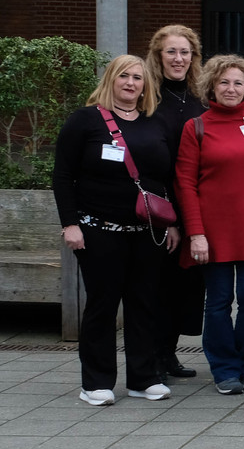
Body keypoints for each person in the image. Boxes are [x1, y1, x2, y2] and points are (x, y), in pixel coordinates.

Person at [53, 55, 177, 405]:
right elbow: (63, 176)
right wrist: (70, 224)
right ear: (111, 79)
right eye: (124, 76)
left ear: (145, 85)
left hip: (146, 232)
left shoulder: (156, 123)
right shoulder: (85, 120)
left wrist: (174, 224)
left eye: (138, 78)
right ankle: (96, 382)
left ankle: (143, 378)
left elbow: (165, 179)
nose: (131, 83)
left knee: (144, 304)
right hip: (98, 230)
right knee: (102, 306)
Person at [174, 55, 244, 396]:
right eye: (224, 82)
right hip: (213, 231)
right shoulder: (196, 127)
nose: (231, 88)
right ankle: (224, 369)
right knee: (219, 302)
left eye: (238, 82)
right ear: (211, 85)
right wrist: (196, 233)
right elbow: (185, 184)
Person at [145, 25, 205, 382]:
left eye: (185, 52)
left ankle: (168, 354)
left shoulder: (200, 99)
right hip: (159, 207)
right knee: (156, 285)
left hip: (193, 204)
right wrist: (168, 218)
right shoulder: (148, 99)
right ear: (158, 56)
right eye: (171, 52)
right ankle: (150, 357)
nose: (178, 59)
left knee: (184, 286)